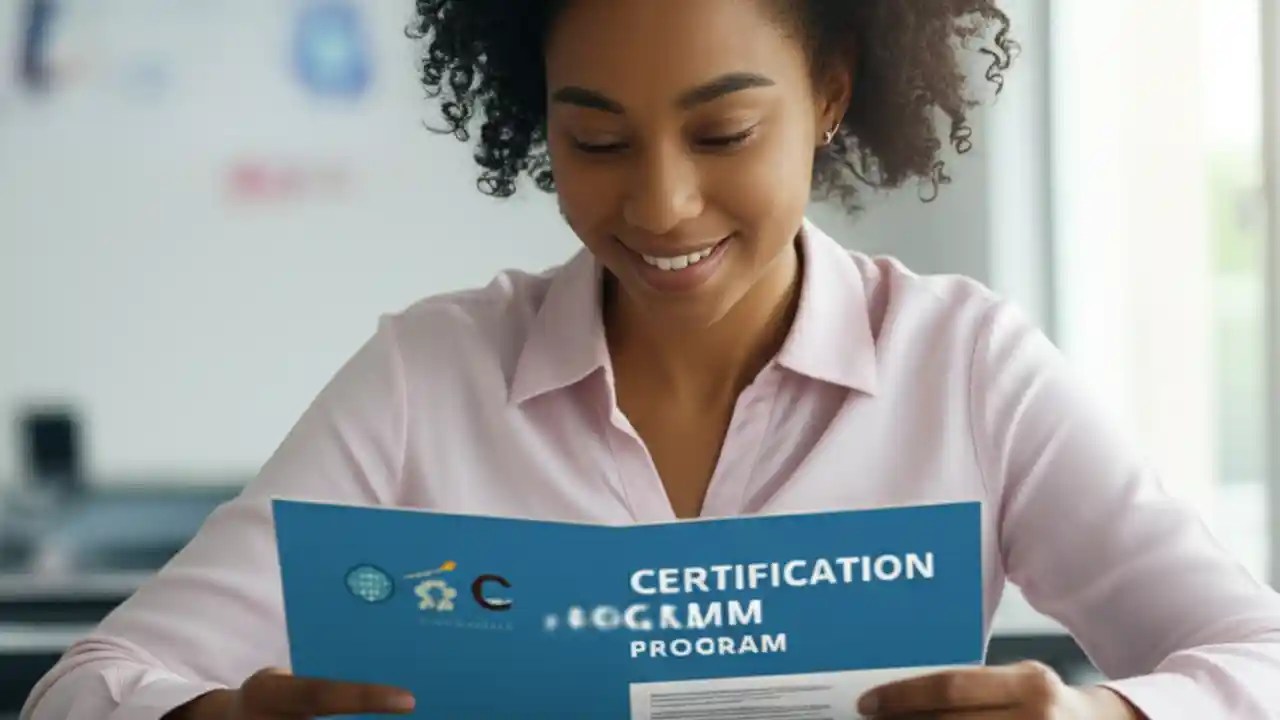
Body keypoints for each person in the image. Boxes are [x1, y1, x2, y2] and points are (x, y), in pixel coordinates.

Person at [21, 0, 1280, 718]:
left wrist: (1104, 715)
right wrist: (208, 717)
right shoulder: (427, 378)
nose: (662, 206)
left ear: (830, 93)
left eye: (723, 130)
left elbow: (1255, 662)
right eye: (597, 143)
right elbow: (90, 685)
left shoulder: (965, 368)